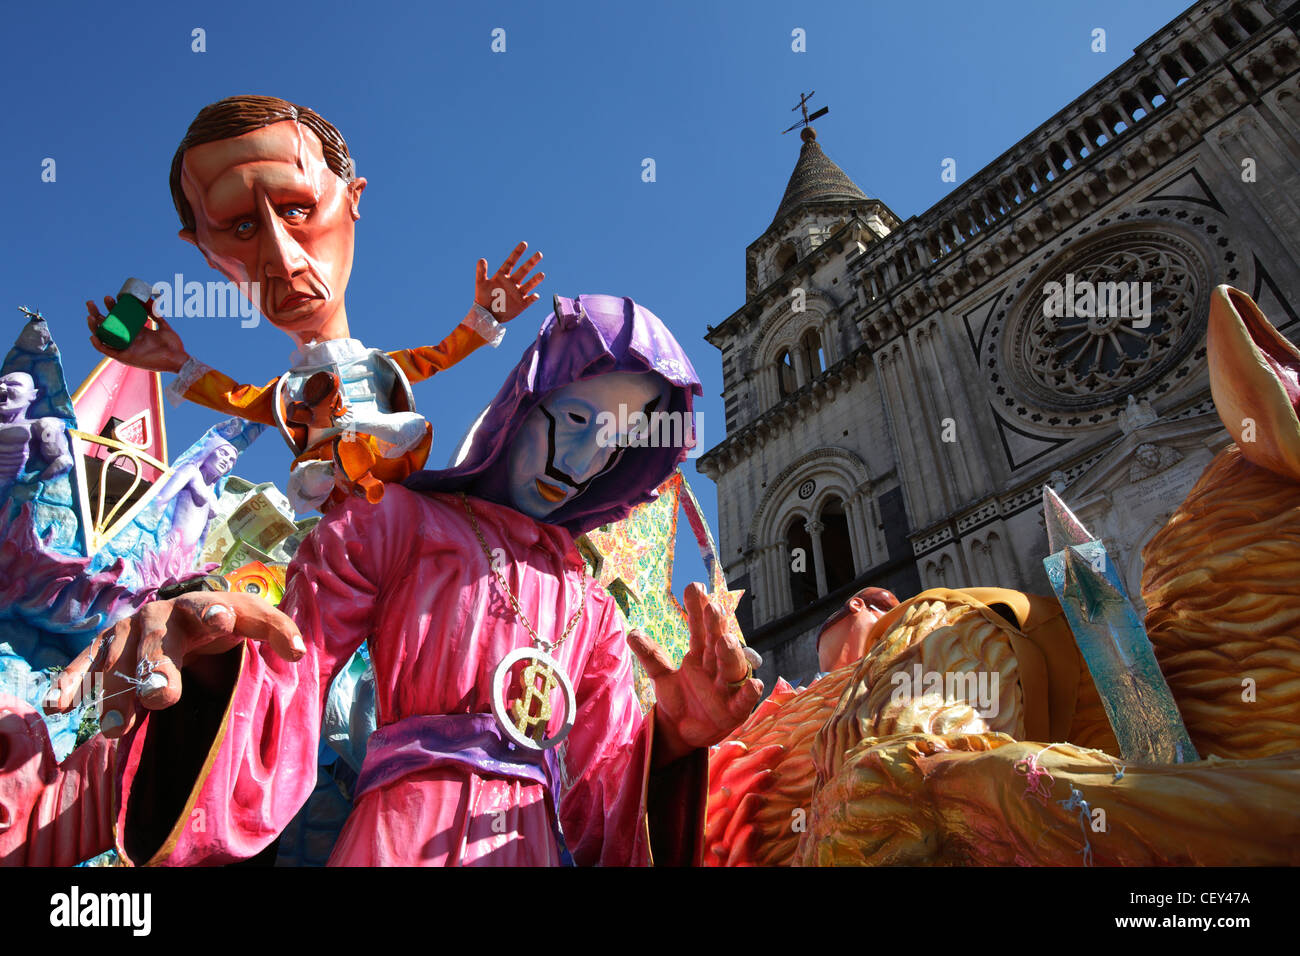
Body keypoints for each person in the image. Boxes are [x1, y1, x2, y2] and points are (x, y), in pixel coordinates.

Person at [4, 294, 762, 867]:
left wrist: (670, 742)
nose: (584, 459)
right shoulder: (395, 523)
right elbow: (291, 672)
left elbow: (598, 807)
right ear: (520, 406)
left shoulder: (592, 609)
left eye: (616, 438)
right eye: (572, 418)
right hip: (397, 837)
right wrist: (214, 651)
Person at [86, 95, 544, 513]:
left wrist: (487, 316)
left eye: (296, 209)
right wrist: (174, 360)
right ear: (207, 255)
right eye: (241, 228)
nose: (284, 264)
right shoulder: (289, 396)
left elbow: (438, 357)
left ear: (352, 198)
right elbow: (238, 399)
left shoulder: (381, 369)